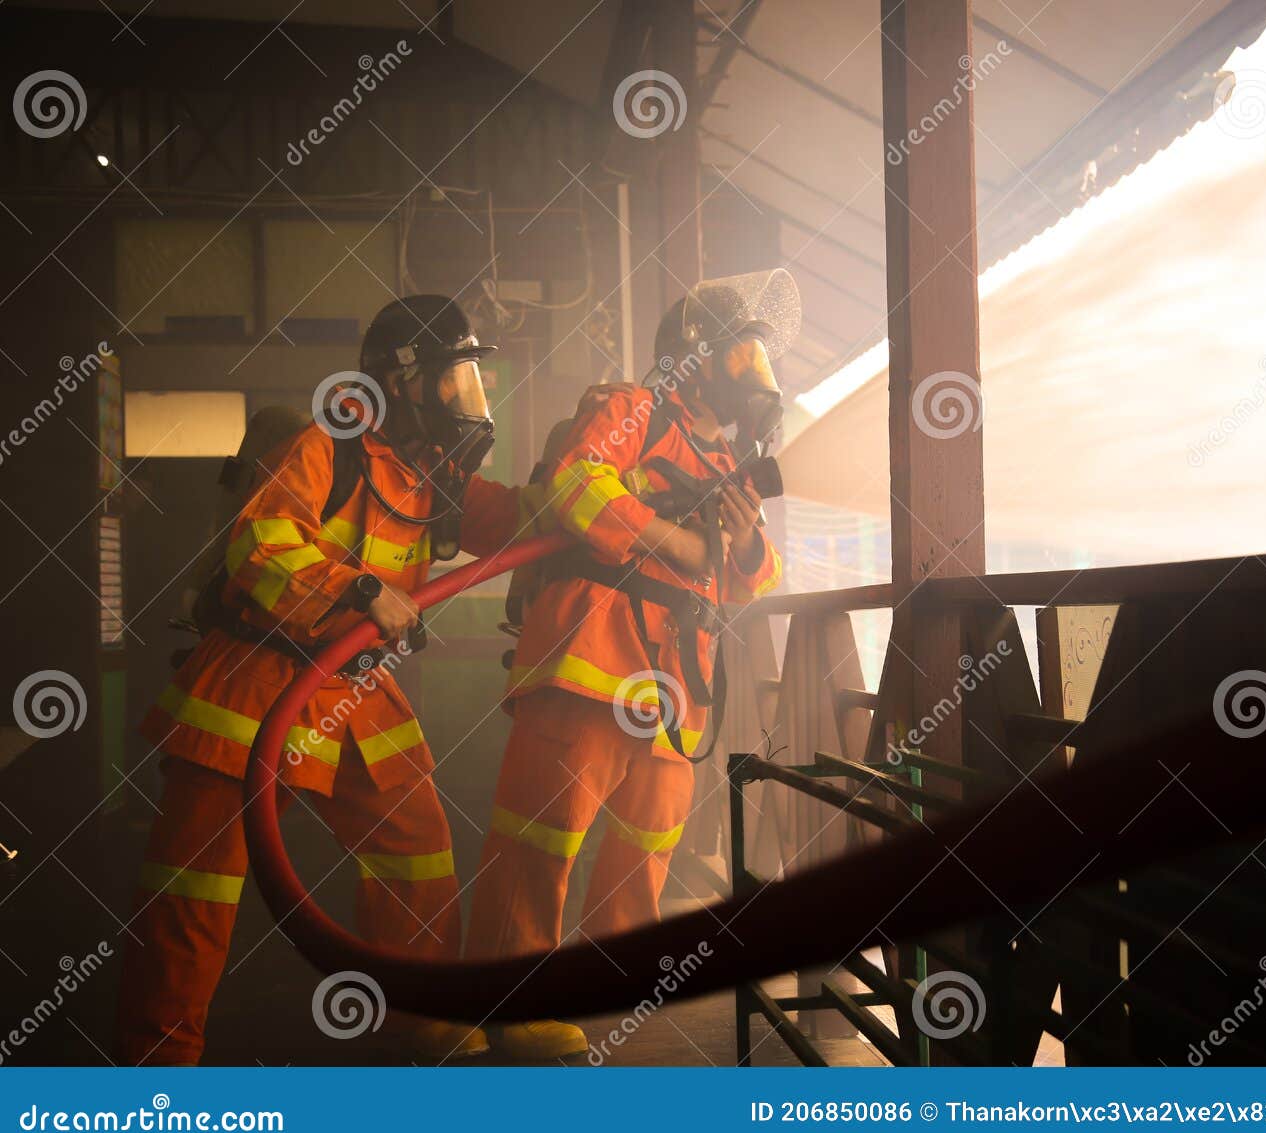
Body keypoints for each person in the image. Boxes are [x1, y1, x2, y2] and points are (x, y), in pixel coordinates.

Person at [116, 295, 541, 1064]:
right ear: (402, 380)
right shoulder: (326, 446)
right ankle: (156, 1064)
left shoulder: (427, 475)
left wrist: (591, 492)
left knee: (416, 845)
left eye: (470, 382)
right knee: (197, 888)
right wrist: (361, 589)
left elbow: (519, 518)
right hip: (253, 682)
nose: (466, 400)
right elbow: (260, 542)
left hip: (353, 689)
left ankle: (417, 1009)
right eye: (453, 380)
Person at [464, 270, 796, 1061]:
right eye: (743, 354)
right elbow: (580, 483)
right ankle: (513, 1000)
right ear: (697, 358)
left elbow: (755, 576)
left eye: (759, 357)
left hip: (673, 682)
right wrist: (685, 543)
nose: (757, 372)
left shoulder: (724, 458)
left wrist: (741, 541)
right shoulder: (632, 411)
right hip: (590, 654)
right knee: (541, 838)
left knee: (646, 844)